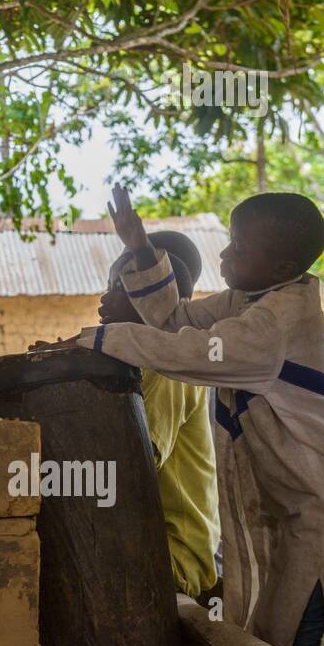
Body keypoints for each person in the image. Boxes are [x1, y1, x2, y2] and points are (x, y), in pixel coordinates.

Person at [56, 185, 324, 646]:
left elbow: (189, 350)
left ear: (282, 267)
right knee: (285, 626)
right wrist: (140, 249)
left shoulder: (275, 322)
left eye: (238, 248)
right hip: (303, 501)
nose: (224, 253)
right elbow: (176, 321)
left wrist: (97, 339)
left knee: (313, 633)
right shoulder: (248, 300)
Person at [95, 231, 220, 599]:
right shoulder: (134, 363)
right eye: (111, 285)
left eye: (124, 288)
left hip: (174, 554)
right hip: (147, 542)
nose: (105, 298)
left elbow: (135, 463)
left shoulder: (169, 369)